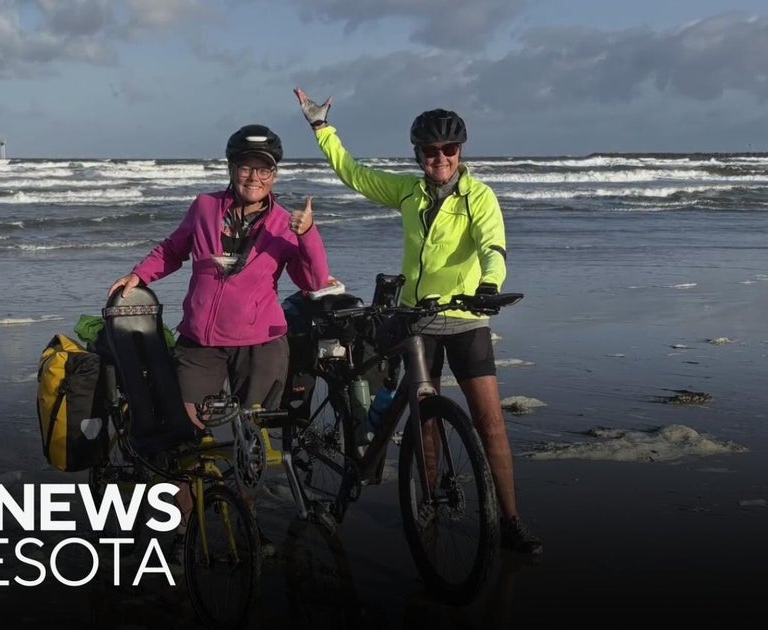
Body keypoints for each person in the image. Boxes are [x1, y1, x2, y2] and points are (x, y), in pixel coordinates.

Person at [292, 88, 543, 555]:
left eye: (449, 150)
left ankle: (510, 520)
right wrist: (321, 128)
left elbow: (494, 247)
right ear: (419, 154)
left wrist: (488, 286)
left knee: (490, 424)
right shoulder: (408, 191)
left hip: (466, 319)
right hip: (417, 319)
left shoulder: (479, 197)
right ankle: (427, 500)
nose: (441, 158)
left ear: (460, 152)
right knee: (424, 419)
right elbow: (354, 174)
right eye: (431, 151)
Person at [109, 123, 331, 557]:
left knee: (250, 442)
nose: (254, 178)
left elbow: (314, 281)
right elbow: (173, 249)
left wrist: (309, 236)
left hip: (262, 345)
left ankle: (246, 523)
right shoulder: (205, 207)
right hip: (200, 343)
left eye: (264, 170)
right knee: (186, 438)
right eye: (246, 168)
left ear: (275, 176)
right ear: (231, 168)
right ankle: (184, 530)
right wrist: (139, 274)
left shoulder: (287, 224)